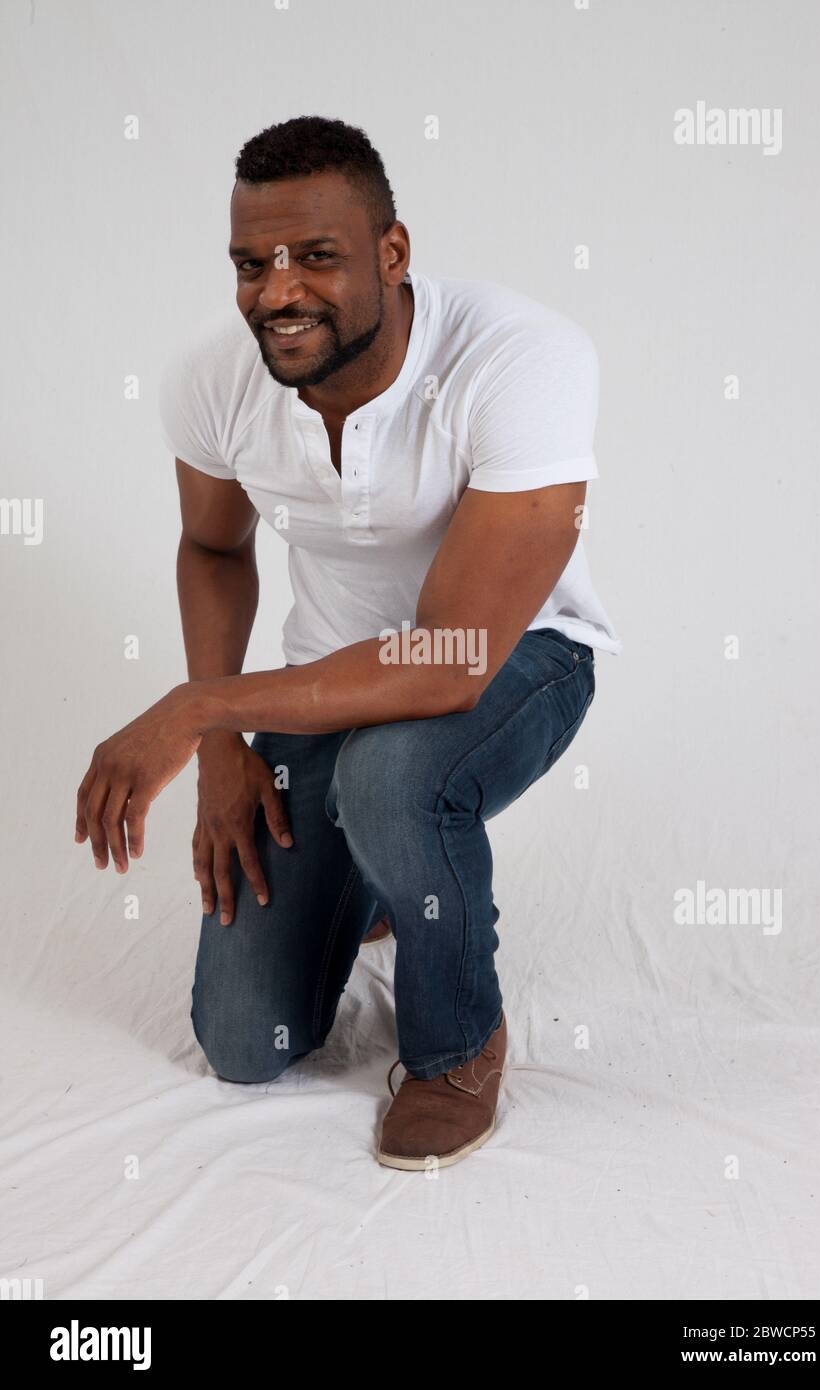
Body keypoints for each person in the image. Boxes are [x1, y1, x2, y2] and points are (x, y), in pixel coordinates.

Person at [75, 115, 622, 1170]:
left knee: (388, 778)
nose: (277, 293)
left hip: (517, 660)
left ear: (392, 252)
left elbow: (453, 653)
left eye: (315, 257)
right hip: (322, 683)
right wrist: (228, 755)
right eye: (251, 263)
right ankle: (370, 873)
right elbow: (210, 545)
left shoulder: (522, 359)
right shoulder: (211, 380)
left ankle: (456, 1042)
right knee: (243, 1041)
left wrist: (201, 714)